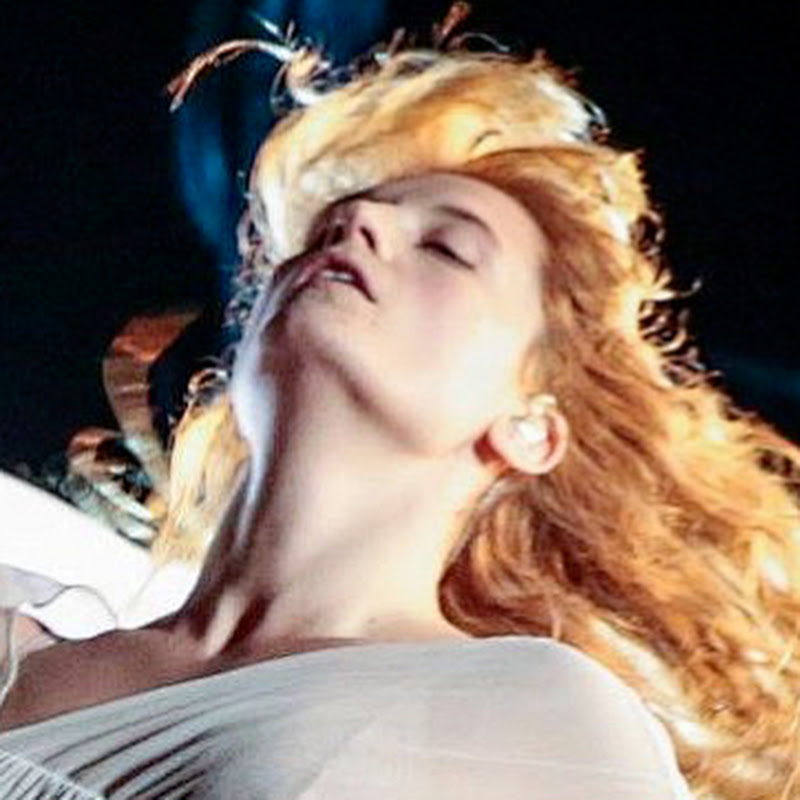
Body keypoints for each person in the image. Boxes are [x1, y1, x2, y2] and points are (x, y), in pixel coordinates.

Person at [1, 7, 798, 799]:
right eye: (327, 228)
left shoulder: (538, 718)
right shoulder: (17, 631)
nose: (360, 220)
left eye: (448, 248)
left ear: (530, 427)